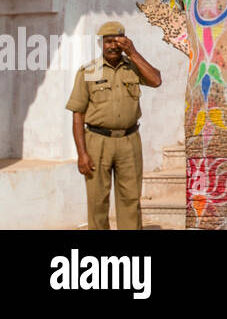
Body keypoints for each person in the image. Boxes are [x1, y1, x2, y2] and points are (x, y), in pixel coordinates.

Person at [66, 21, 162, 230]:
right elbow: (78, 115)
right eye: (108, 41)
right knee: (97, 200)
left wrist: (133, 52)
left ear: (124, 42)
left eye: (117, 42)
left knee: (130, 198)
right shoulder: (88, 71)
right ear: (101, 43)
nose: (112, 46)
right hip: (97, 141)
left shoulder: (134, 67)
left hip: (129, 141)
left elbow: (155, 80)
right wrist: (82, 153)